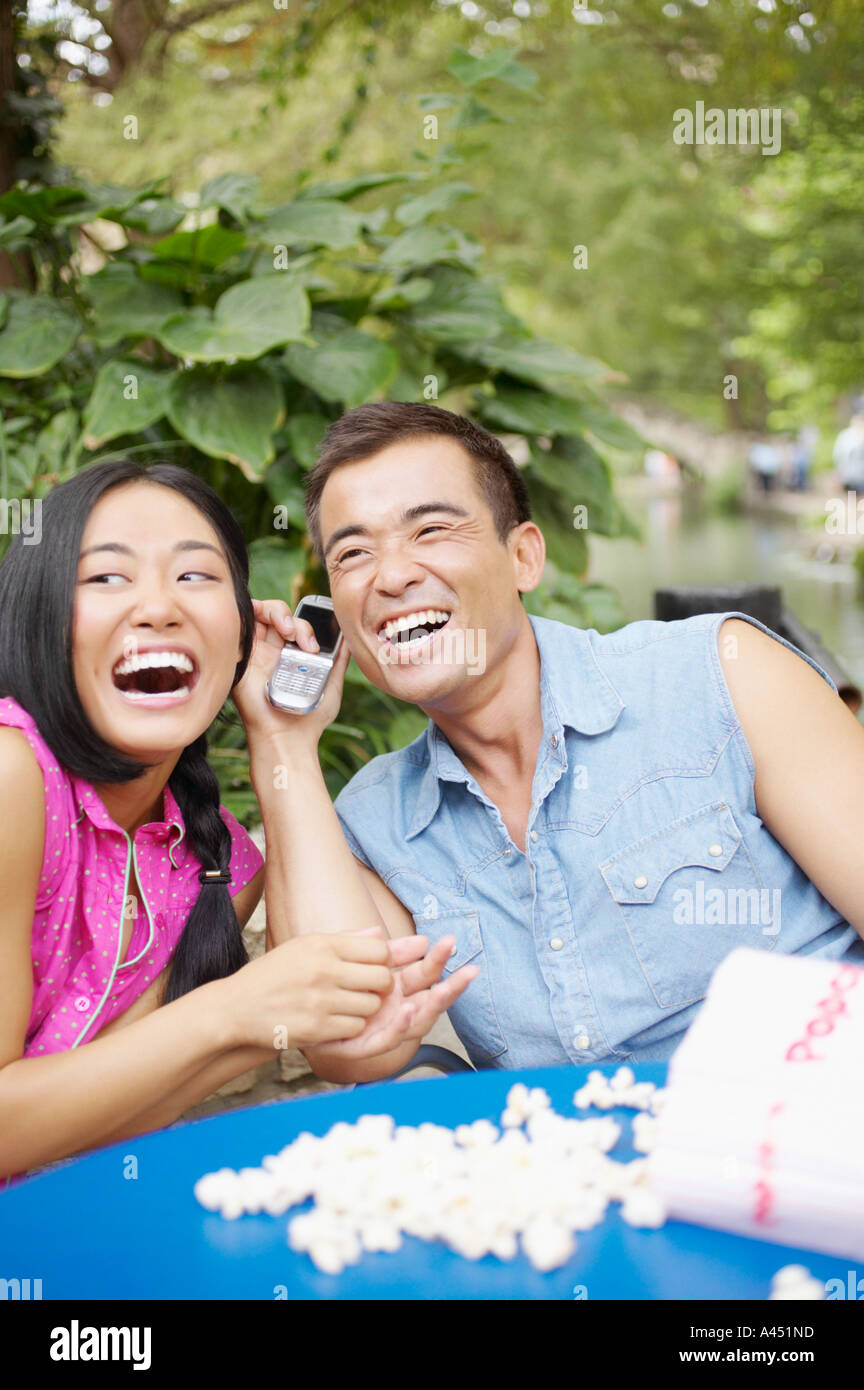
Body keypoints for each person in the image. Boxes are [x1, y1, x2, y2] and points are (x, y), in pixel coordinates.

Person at [260, 401, 864, 1084]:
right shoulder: (373, 823)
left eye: (430, 529)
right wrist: (282, 740)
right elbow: (351, 1044)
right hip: (576, 1171)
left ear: (523, 557)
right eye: (354, 554)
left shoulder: (721, 675)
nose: (391, 575)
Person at [0, 459, 472, 1184]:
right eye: (107, 578)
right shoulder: (11, 776)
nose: (159, 607)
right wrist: (240, 1009)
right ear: (38, 617)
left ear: (241, 634)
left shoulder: (211, 862)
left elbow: (102, 1111)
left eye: (195, 577)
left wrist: (283, 736)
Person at [832, 405, 864, 491]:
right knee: (851, 500)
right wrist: (839, 473)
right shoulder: (846, 435)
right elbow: (838, 455)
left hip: (861, 476)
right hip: (849, 476)